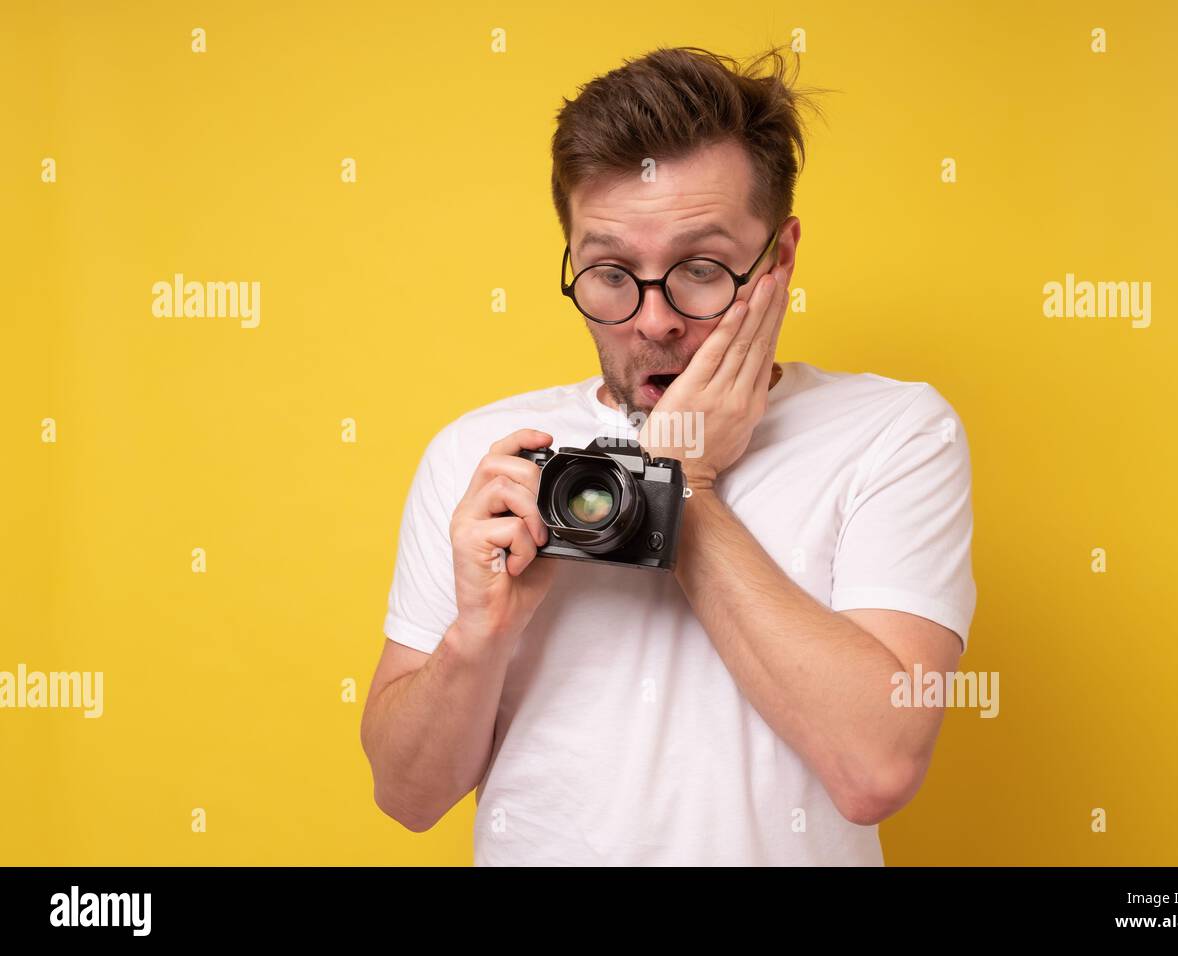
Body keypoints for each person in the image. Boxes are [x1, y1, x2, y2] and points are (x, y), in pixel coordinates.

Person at [360, 46, 976, 865]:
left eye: (700, 268)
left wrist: (680, 477)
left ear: (780, 257)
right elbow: (407, 796)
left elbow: (876, 767)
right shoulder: (486, 456)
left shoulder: (894, 432)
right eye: (612, 272)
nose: (654, 321)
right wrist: (478, 636)